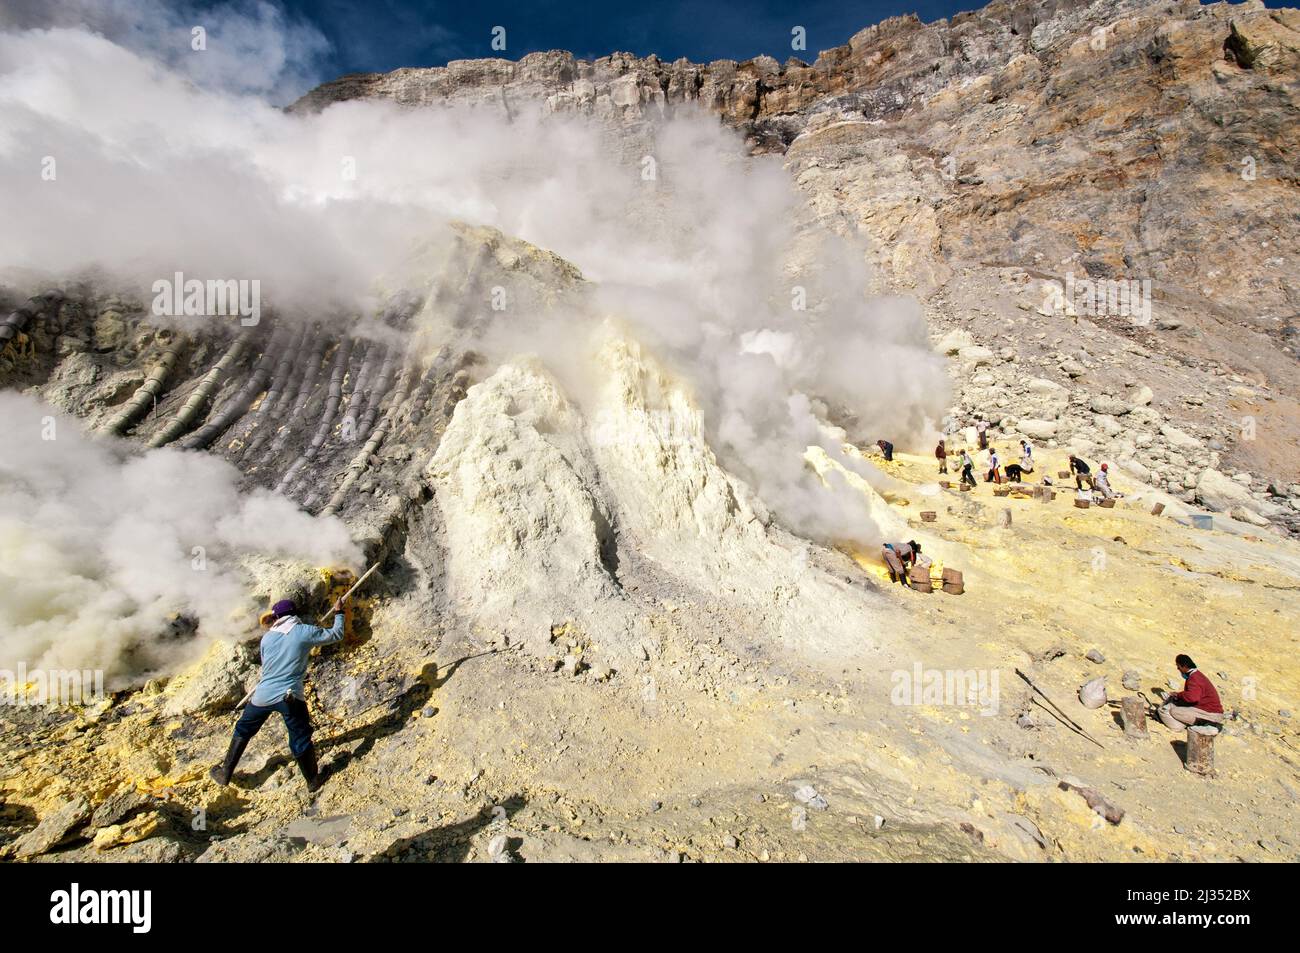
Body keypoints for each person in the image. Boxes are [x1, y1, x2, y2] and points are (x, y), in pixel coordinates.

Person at [210, 596, 346, 793]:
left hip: (262, 695)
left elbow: (268, 666)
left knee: (243, 729)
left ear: (277, 617)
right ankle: (313, 780)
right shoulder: (304, 631)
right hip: (289, 696)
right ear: (294, 614)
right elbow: (336, 634)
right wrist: (339, 612)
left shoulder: (268, 638)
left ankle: (225, 773)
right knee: (299, 738)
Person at [1157, 654, 1225, 731]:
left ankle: (1205, 724)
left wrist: (1178, 695)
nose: (1178, 669)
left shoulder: (1194, 678)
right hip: (1209, 710)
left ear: (1184, 666)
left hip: (1211, 714)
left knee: (1175, 712)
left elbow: (1193, 698)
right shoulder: (1197, 675)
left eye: (1178, 667)